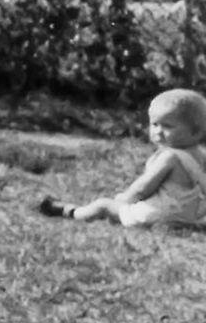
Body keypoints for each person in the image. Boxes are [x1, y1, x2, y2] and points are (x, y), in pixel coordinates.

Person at [37, 88, 206, 228]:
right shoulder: (200, 154)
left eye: (167, 126)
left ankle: (70, 212)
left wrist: (125, 199)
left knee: (103, 205)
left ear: (196, 131)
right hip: (193, 217)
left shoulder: (169, 157)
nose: (158, 131)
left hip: (164, 215)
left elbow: (144, 187)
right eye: (154, 124)